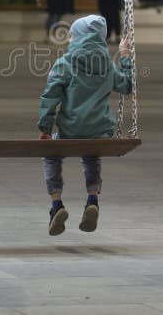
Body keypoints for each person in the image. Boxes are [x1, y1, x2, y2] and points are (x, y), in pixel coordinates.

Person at [38, 15, 133, 236]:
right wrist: (125, 56)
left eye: (72, 35)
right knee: (92, 154)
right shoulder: (108, 65)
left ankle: (56, 205)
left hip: (69, 131)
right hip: (101, 131)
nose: (70, 39)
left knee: (51, 154)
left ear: (79, 37)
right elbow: (127, 86)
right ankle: (92, 199)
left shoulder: (65, 63)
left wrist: (44, 127)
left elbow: (49, 97)